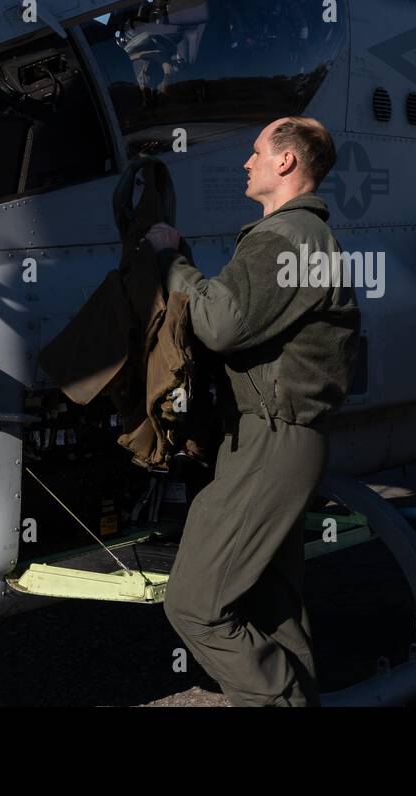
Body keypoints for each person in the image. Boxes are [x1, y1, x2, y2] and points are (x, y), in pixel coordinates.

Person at [144, 116, 360, 706]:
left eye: (257, 151)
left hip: (269, 441)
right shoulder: (305, 238)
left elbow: (222, 325)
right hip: (283, 438)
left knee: (196, 604)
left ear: (287, 162)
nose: (247, 162)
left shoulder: (284, 239)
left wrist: (172, 261)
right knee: (271, 606)